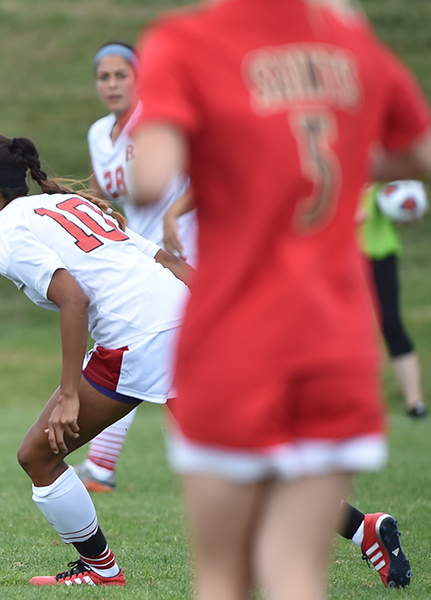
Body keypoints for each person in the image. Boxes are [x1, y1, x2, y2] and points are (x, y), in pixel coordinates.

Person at [129, 0, 431, 597]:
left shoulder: (185, 41)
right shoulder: (350, 39)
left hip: (236, 342)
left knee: (224, 576)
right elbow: (419, 154)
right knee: (295, 572)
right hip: (336, 342)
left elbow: (147, 181)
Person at [0, 131, 192, 587]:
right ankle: (350, 526)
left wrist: (68, 396)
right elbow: (167, 261)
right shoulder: (68, 204)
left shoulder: (7, 237)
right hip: (187, 321)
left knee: (37, 456)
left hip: (137, 340)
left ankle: (101, 570)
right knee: (245, 461)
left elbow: (74, 299)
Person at [74, 40, 199, 494]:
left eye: (120, 75)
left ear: (139, 78)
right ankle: (102, 468)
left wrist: (173, 214)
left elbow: (207, 171)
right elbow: (100, 195)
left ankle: (219, 460)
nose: (111, 84)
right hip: (141, 260)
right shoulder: (98, 133)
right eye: (103, 77)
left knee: (153, 358)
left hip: (186, 257)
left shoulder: (159, 120)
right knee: (132, 354)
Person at [360, 181, 428, 419]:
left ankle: (415, 403)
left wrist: (411, 209)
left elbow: (403, 195)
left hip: (378, 251)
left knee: (390, 321)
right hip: (335, 253)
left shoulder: (377, 166)